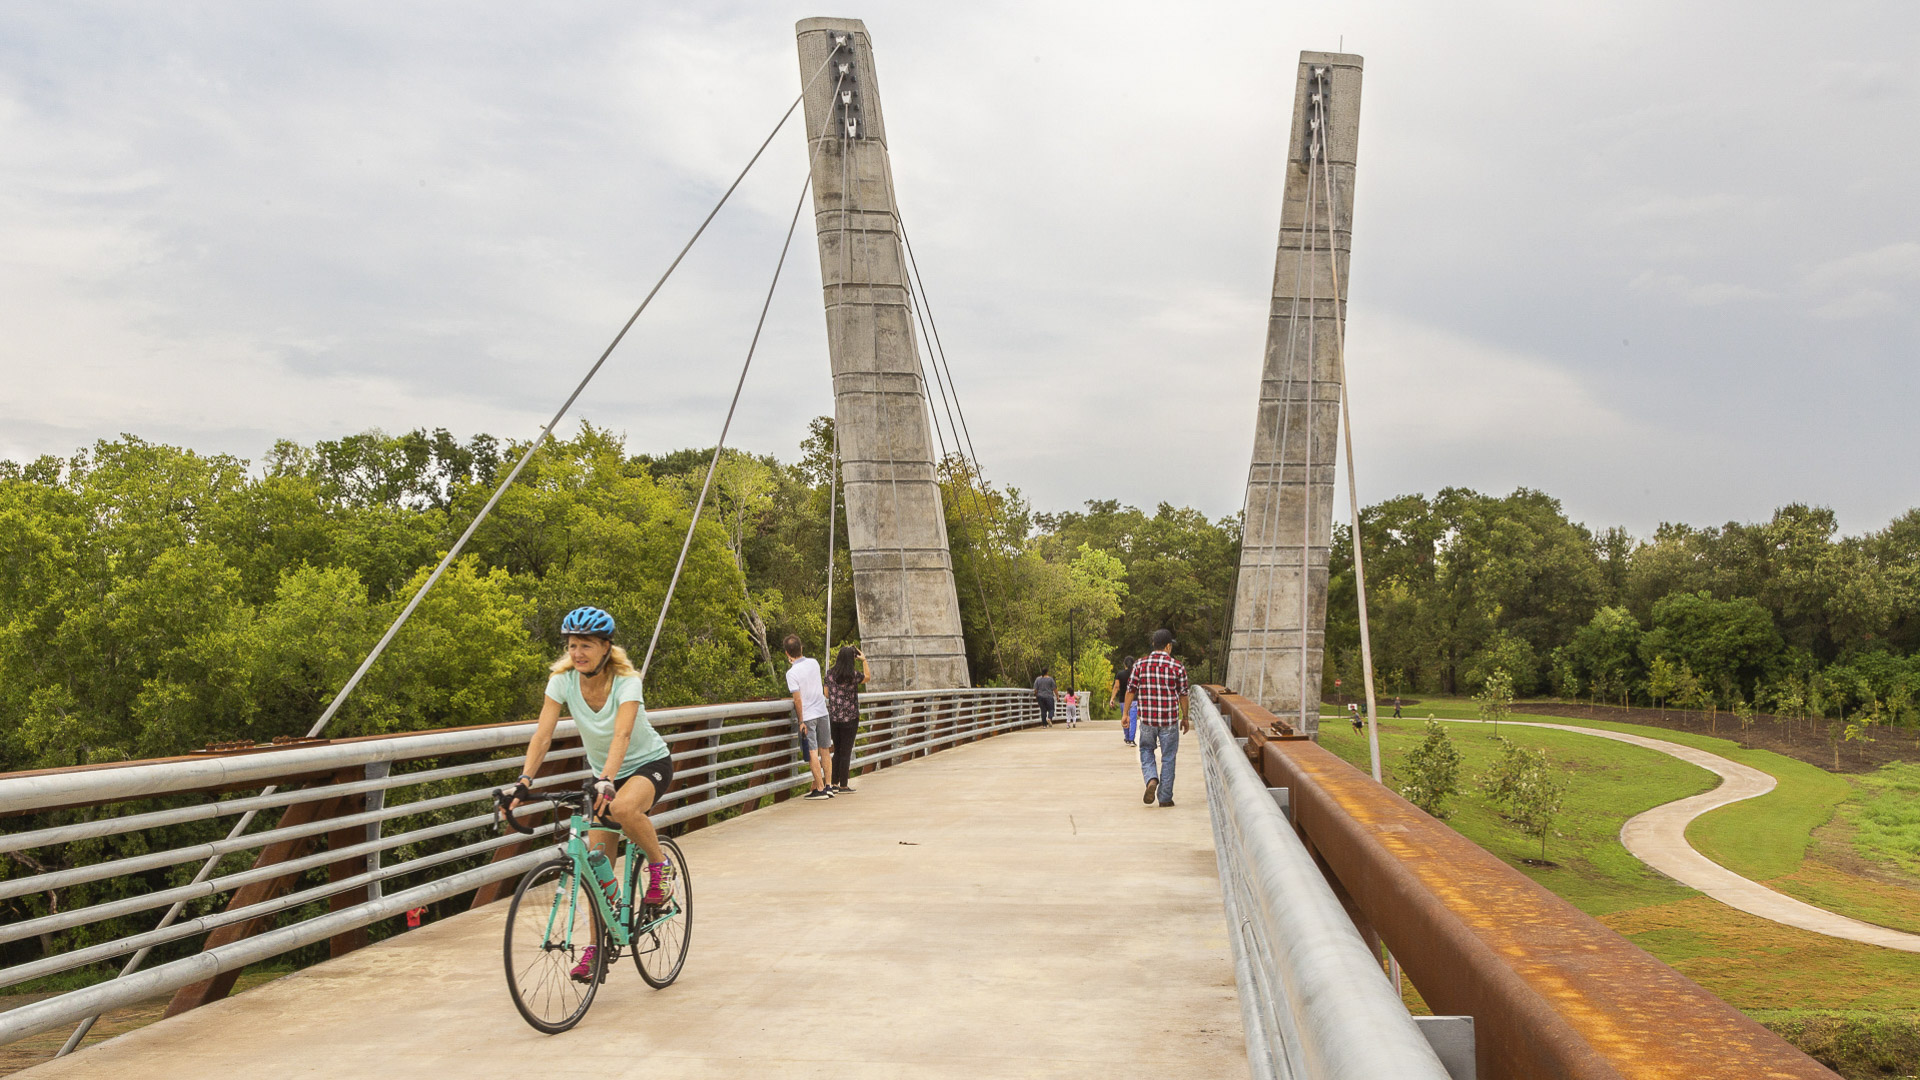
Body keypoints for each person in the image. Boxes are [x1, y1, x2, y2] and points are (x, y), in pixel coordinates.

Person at [500, 606, 675, 982]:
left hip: (647, 764)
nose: (577, 653)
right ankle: (596, 950)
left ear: (606, 648)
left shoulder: (627, 680)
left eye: (586, 646)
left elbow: (622, 736)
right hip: (604, 775)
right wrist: (524, 782)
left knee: (625, 809)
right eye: (572, 645)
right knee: (595, 863)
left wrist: (609, 777)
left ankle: (661, 868)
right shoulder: (562, 680)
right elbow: (543, 735)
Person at [1123, 629, 1189, 807]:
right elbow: (1183, 694)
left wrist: (1125, 714)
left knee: (1146, 750)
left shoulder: (1139, 665)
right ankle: (1165, 798)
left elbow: (1131, 690)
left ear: (1154, 645)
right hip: (1169, 721)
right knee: (1168, 757)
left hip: (1147, 721)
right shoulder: (1177, 666)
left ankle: (1151, 778)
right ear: (1168, 646)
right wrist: (1186, 717)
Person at [785, 634, 834, 800]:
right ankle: (828, 786)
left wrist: (801, 721)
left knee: (812, 751)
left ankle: (819, 789)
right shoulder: (814, 663)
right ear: (802, 648)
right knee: (825, 749)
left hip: (808, 715)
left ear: (787, 654)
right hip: (822, 711)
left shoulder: (791, 673)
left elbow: (797, 699)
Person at [825, 644, 870, 794]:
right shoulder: (853, 675)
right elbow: (868, 678)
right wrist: (864, 660)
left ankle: (834, 783)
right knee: (846, 751)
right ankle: (844, 785)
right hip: (850, 718)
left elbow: (826, 694)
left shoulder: (830, 674)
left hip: (834, 717)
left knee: (837, 751)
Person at [1108, 656, 1136, 746]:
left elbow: (1116, 687)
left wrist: (1112, 698)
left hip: (1123, 700)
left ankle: (1127, 737)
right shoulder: (1135, 674)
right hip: (1134, 700)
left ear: (1124, 664)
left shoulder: (1120, 674)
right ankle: (1132, 739)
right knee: (1133, 720)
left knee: (1124, 717)